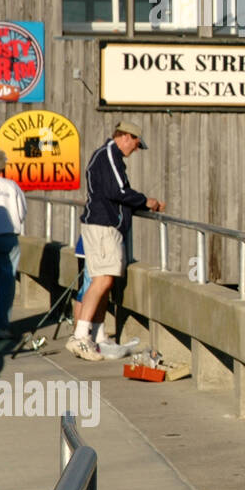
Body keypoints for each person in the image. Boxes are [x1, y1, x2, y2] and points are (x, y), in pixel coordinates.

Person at [68, 122, 165, 361]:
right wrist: (146, 201)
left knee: (105, 281)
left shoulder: (109, 156)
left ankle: (99, 336)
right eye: (136, 144)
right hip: (103, 226)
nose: (136, 150)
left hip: (106, 227)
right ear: (126, 137)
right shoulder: (109, 154)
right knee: (101, 281)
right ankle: (81, 337)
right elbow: (118, 191)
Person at [0, 148, 27, 342]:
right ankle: (1, 325)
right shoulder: (12, 186)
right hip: (8, 235)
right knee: (7, 282)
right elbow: (22, 211)